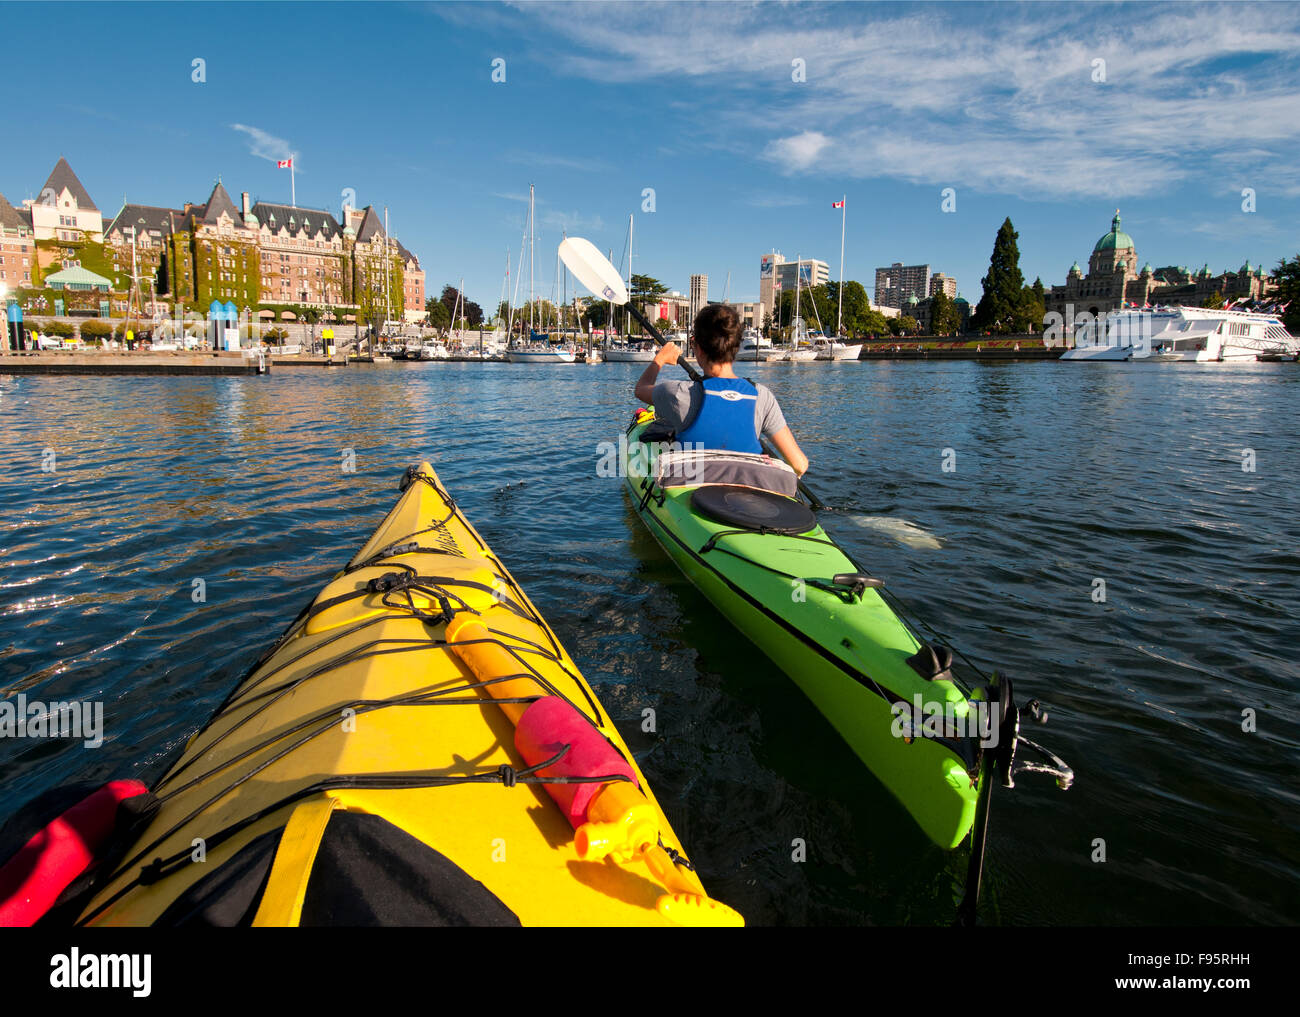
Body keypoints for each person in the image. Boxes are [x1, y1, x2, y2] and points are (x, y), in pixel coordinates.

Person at [634, 304, 809, 475]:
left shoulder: (678, 394)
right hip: (749, 492)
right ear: (736, 348)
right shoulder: (762, 396)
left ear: (699, 349)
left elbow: (641, 389)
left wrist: (660, 359)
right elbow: (800, 465)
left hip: (695, 489)